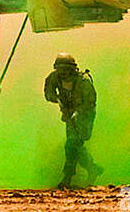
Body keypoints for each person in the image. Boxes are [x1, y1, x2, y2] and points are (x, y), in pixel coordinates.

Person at [43, 52, 102, 189]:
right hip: (69, 115)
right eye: (59, 69)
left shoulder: (83, 81)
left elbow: (90, 102)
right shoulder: (54, 78)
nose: (62, 72)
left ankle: (68, 177)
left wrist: (78, 113)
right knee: (73, 145)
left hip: (85, 115)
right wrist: (57, 100)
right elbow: (48, 93)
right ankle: (90, 169)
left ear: (72, 69)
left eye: (65, 69)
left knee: (72, 144)